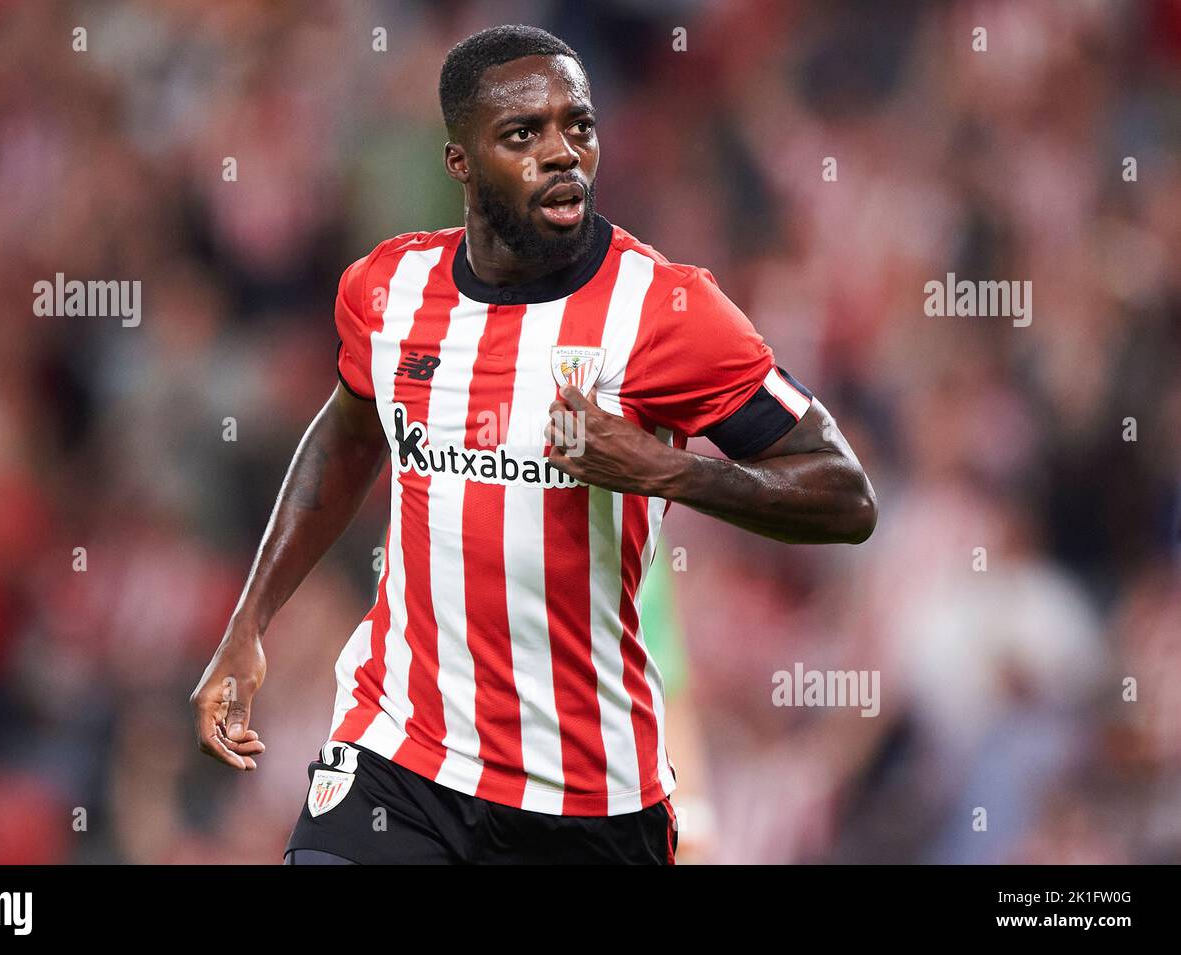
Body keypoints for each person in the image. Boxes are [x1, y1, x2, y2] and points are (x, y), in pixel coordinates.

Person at [190, 24, 876, 865]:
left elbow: (845, 494)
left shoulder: (665, 311)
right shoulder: (390, 290)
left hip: (586, 799)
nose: (563, 154)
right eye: (524, 134)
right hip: (399, 755)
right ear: (461, 164)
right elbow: (347, 432)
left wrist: (665, 469)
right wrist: (249, 622)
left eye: (578, 126)